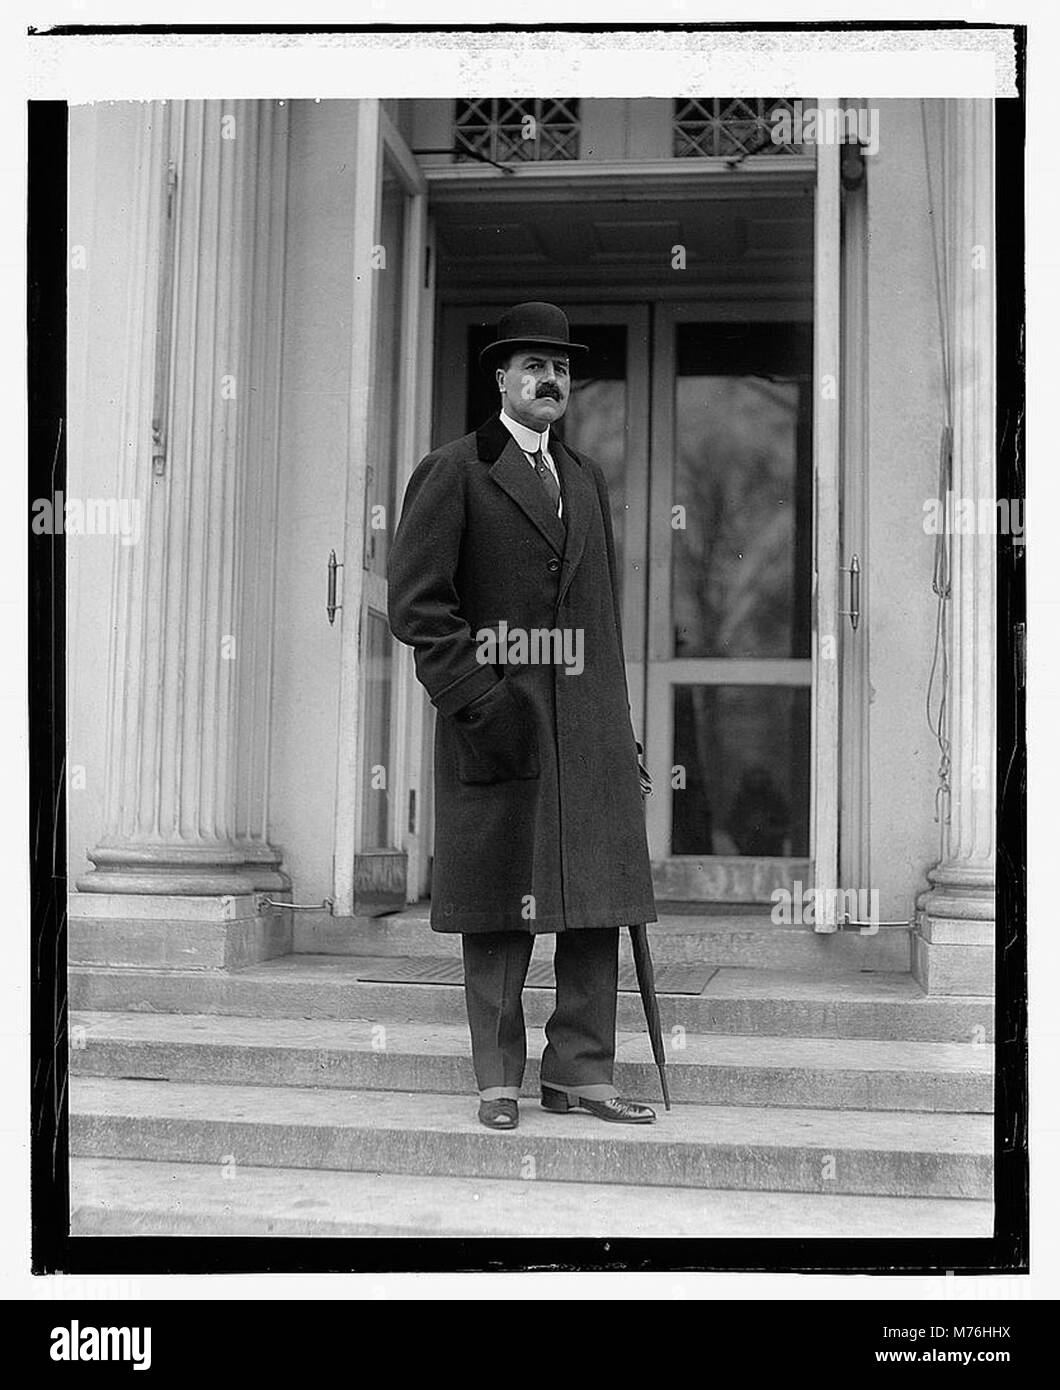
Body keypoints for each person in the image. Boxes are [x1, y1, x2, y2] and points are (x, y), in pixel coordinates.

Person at [388, 302, 658, 1130]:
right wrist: (482, 702)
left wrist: (622, 730)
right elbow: (418, 609)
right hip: (498, 723)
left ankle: (580, 1072)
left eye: (564, 369)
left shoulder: (584, 478)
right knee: (504, 905)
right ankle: (498, 1078)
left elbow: (602, 618)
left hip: (586, 729)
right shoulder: (455, 469)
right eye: (534, 366)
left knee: (595, 901)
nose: (551, 380)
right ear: (501, 378)